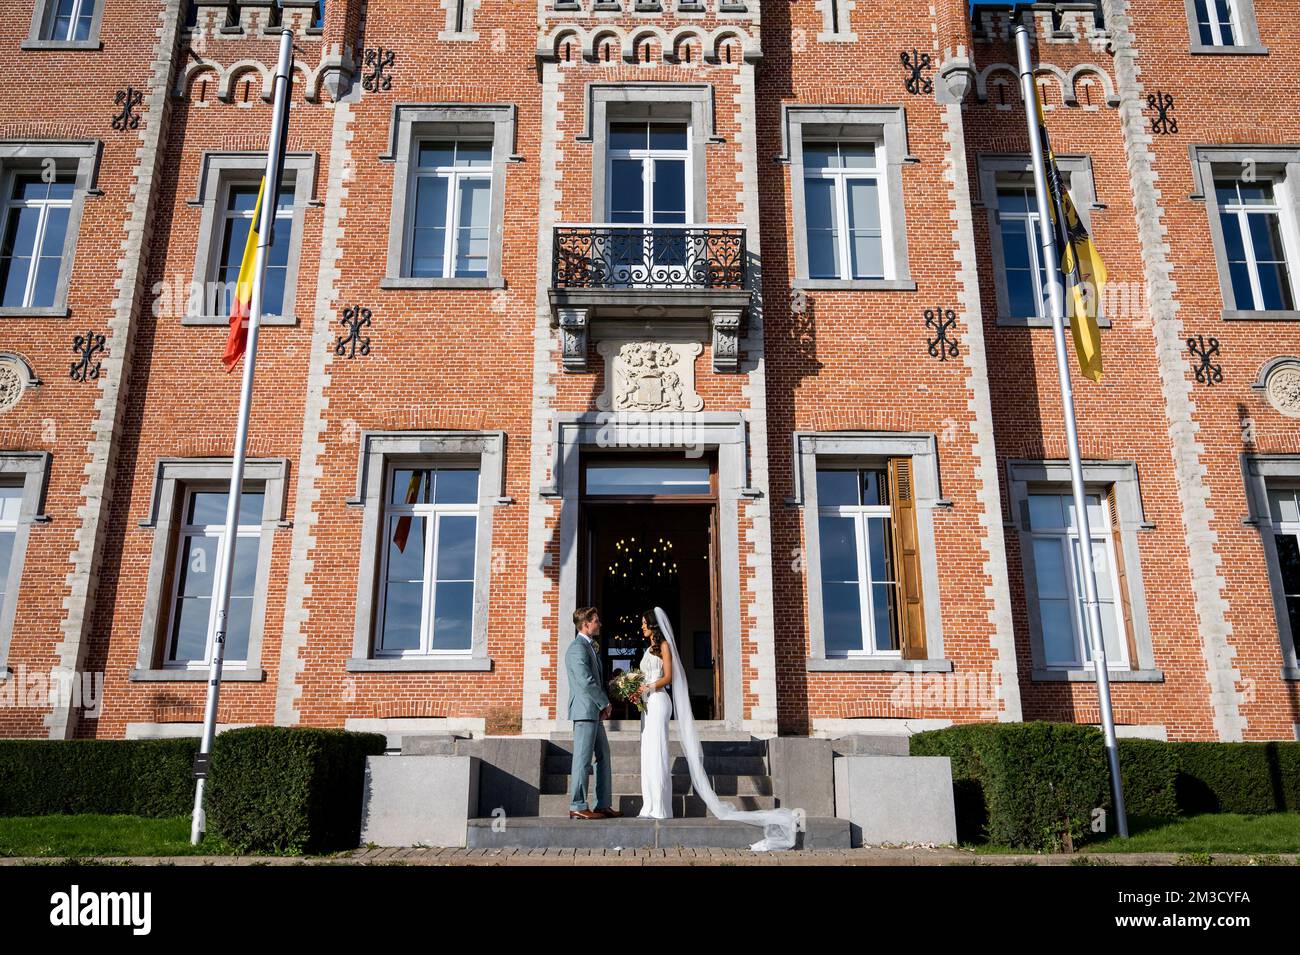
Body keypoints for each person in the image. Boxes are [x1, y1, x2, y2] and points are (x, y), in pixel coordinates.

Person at [565, 606, 621, 819]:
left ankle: (602, 804)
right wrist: (604, 703)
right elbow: (586, 682)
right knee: (582, 759)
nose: (599, 624)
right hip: (584, 711)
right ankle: (577, 804)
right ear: (585, 624)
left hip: (593, 713)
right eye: (596, 620)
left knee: (604, 756)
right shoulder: (577, 648)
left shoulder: (590, 646)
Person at [635, 610, 674, 819]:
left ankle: (661, 806)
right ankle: (648, 804)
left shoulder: (665, 646)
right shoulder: (649, 648)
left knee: (657, 750)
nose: (642, 626)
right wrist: (633, 686)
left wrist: (649, 686)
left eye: (644, 623)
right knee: (647, 752)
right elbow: (644, 676)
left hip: (659, 700)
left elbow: (668, 676)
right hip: (647, 703)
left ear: (653, 625)